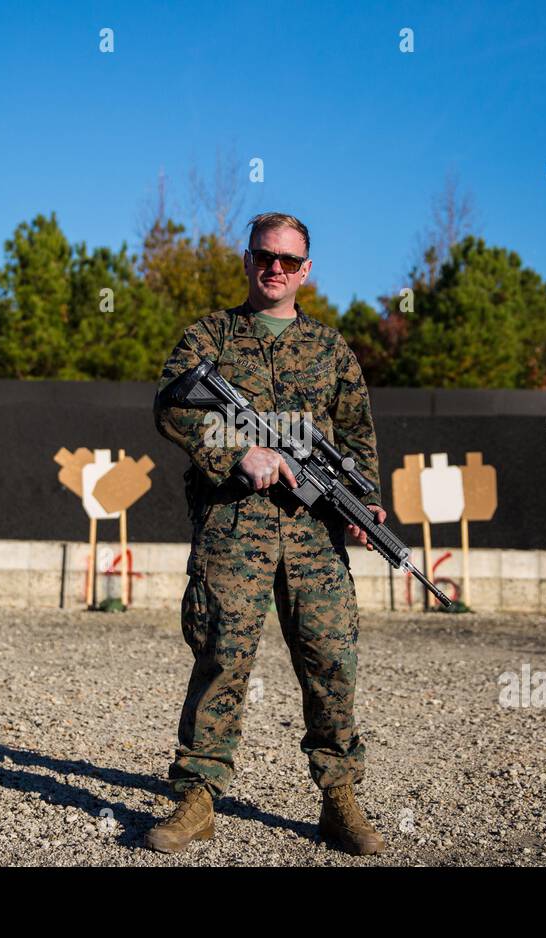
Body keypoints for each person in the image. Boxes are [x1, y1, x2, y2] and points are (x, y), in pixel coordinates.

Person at [147, 211, 389, 855]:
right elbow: (170, 405)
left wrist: (364, 504)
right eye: (264, 256)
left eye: (288, 259)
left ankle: (339, 797)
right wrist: (233, 454)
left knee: (332, 658)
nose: (274, 268)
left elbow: (358, 438)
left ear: (306, 270)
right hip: (234, 526)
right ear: (248, 260)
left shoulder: (333, 349)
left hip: (313, 535)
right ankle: (197, 797)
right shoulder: (211, 335)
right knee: (224, 655)